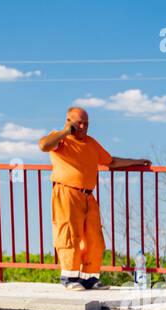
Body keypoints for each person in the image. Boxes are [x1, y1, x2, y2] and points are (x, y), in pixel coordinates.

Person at [37, 108, 149, 291]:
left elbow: (110, 161)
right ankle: (69, 278)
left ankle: (90, 278)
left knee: (94, 238)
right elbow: (43, 146)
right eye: (79, 123)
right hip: (67, 193)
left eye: (86, 124)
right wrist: (66, 131)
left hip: (88, 195)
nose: (83, 127)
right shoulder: (60, 140)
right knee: (69, 236)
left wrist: (136, 161)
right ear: (68, 121)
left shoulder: (90, 143)